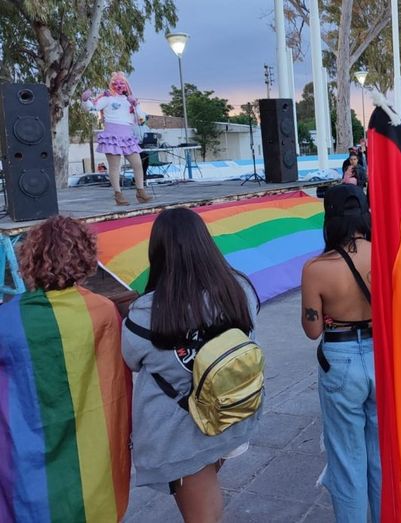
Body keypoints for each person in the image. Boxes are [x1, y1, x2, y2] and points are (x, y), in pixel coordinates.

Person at [122, 208, 261, 523]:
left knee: (203, 513)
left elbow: (130, 359)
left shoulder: (145, 312)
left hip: (182, 432)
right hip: (233, 409)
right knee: (207, 486)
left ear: (157, 252)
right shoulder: (239, 288)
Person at [0, 216, 132, 521]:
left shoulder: (8, 321)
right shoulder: (103, 312)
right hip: (92, 457)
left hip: (26, 460)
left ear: (29, 258)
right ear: (85, 258)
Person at [300, 184, 380, 522]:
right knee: (380, 457)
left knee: (347, 460)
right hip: (382, 358)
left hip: (341, 357)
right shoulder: (386, 254)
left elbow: (312, 330)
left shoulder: (317, 268)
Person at [81, 71, 152, 206]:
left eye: (122, 83)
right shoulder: (107, 98)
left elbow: (141, 119)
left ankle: (141, 191)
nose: (119, 86)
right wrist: (85, 100)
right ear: (112, 85)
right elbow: (93, 108)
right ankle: (118, 195)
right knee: (115, 166)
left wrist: (135, 105)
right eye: (116, 83)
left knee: (137, 164)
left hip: (128, 137)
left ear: (126, 85)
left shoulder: (131, 100)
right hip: (112, 136)